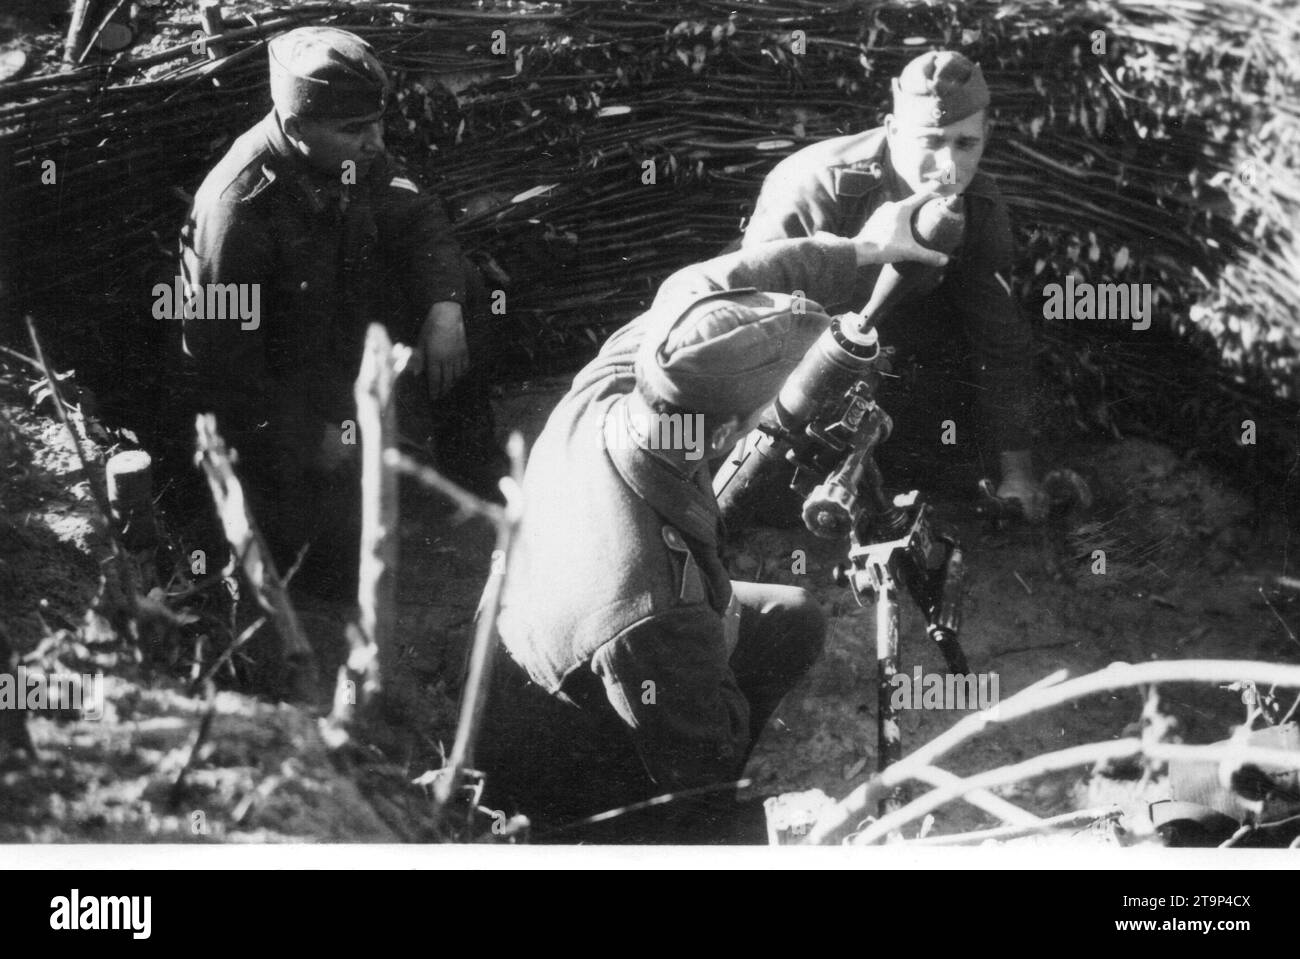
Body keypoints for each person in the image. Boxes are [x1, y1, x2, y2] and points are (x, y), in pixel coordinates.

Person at [477, 189, 951, 843]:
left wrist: (864, 249)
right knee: (716, 807)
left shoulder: (625, 376)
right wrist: (714, 625)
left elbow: (710, 282)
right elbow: (702, 754)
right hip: (550, 748)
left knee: (791, 620)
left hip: (532, 638)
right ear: (728, 430)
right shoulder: (654, 609)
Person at [175, 26, 498, 592]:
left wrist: (445, 308)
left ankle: (469, 476)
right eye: (355, 129)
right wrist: (306, 435)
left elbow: (417, 216)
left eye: (377, 123)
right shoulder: (238, 212)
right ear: (296, 127)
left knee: (466, 289)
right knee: (338, 571)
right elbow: (222, 369)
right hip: (281, 393)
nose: (375, 141)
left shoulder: (351, 153)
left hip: (340, 344)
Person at [741, 50, 1045, 520]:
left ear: (986, 138)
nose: (946, 166)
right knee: (756, 494)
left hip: (881, 360)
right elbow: (748, 315)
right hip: (780, 355)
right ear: (892, 130)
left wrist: (1019, 475)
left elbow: (1000, 340)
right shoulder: (817, 187)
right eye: (930, 142)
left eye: (965, 144)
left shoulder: (978, 205)